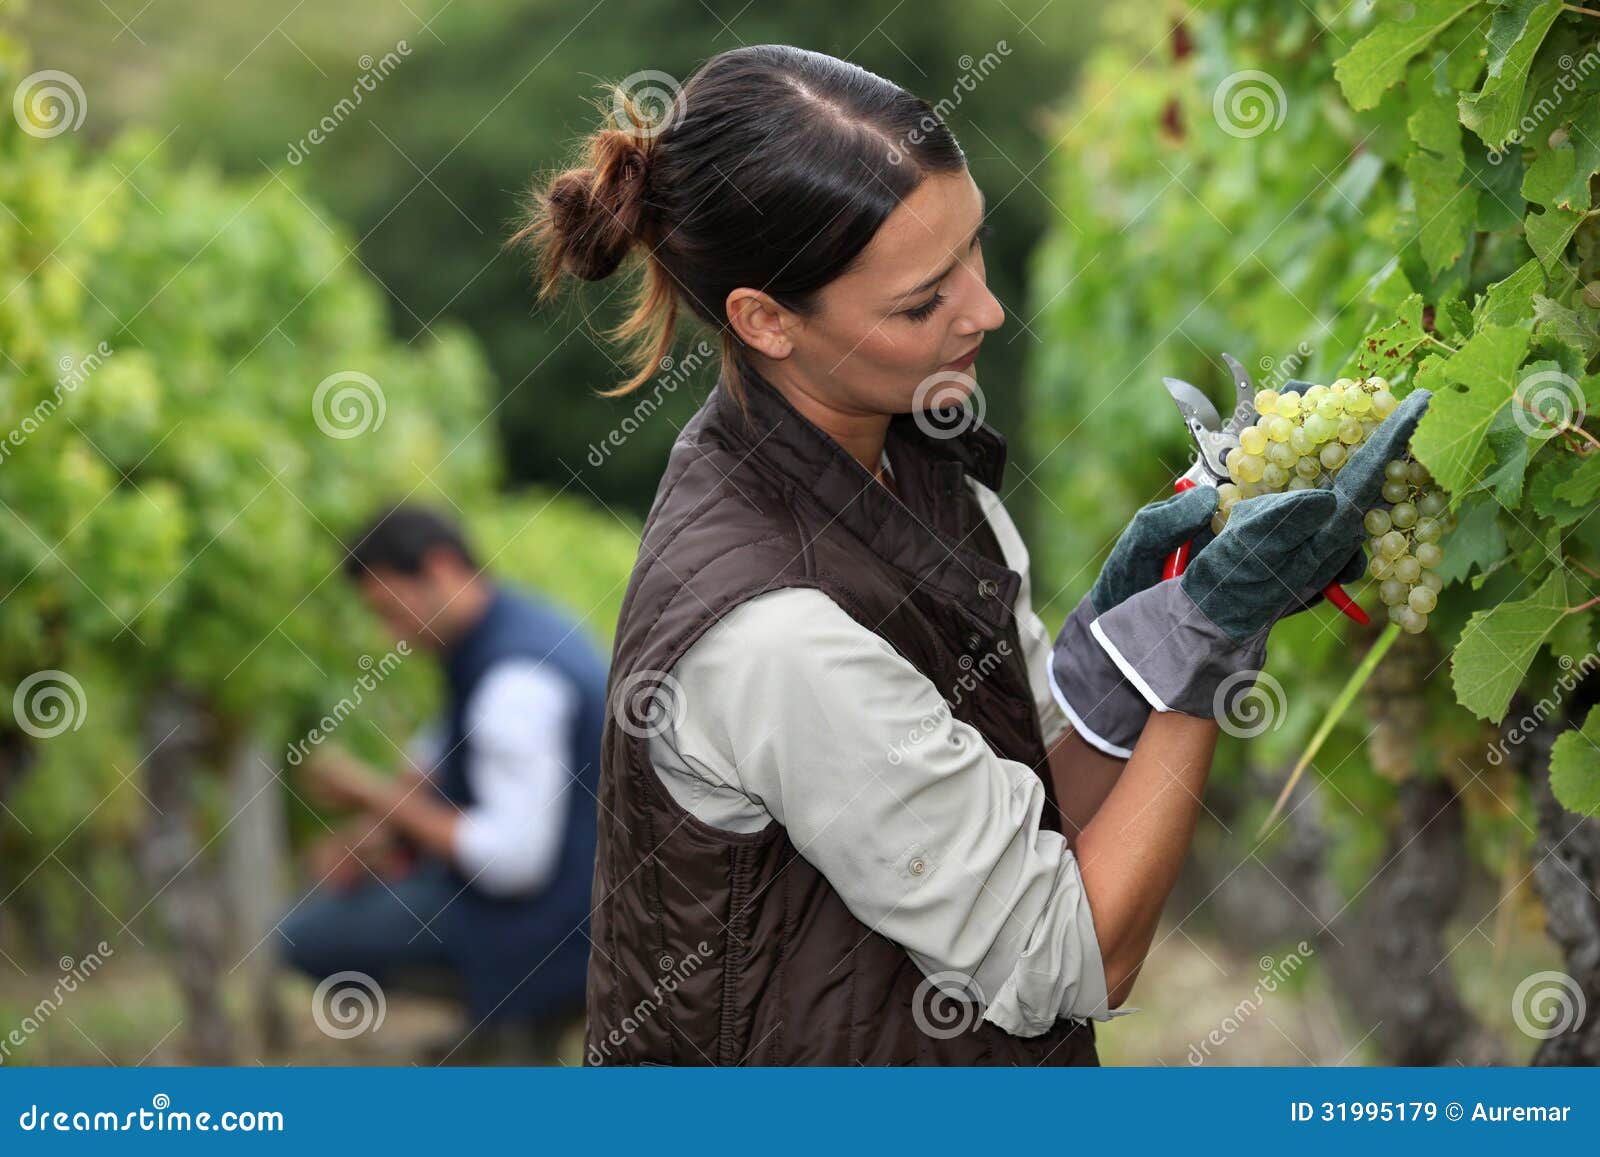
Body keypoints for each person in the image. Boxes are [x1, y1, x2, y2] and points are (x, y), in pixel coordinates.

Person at [513, 44, 1427, 1065]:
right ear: (765, 321)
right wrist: (1208, 643)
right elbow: (1067, 955)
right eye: (920, 301)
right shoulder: (771, 634)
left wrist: (1131, 647)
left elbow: (1024, 812)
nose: (984, 310)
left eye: (972, 253)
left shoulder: (924, 473)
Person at [274, 502, 606, 1062]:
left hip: (558, 927)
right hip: (570, 905)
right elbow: (432, 761)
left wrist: (370, 795)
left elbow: (513, 863)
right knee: (342, 904)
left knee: (304, 937)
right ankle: (499, 1034)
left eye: (390, 610)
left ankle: (515, 1027)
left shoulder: (513, 682)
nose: (389, 635)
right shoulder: (506, 637)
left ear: (442, 568)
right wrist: (374, 834)